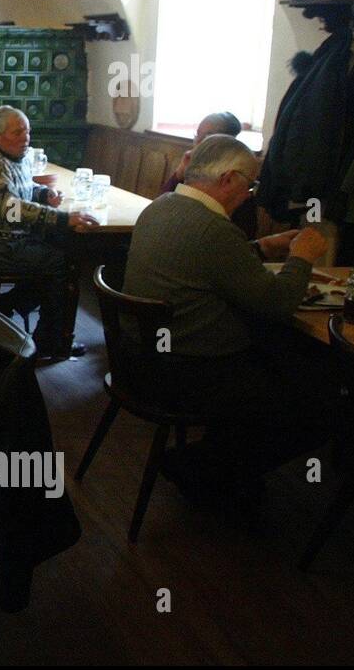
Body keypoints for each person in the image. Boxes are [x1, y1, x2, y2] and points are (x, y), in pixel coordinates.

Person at [124, 134, 331, 501]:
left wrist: (261, 246)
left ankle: (214, 464)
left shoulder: (162, 206)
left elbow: (205, 262)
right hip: (189, 373)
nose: (250, 193)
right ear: (228, 179)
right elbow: (277, 304)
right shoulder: (214, 229)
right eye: (249, 184)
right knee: (317, 400)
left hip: (142, 360)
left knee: (279, 359)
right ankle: (207, 468)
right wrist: (302, 256)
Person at [0, 106, 98, 359]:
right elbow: (11, 208)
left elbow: (23, 190)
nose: (25, 138)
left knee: (58, 253)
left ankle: (9, 305)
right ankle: (49, 340)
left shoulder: (13, 159)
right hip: (4, 248)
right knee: (62, 264)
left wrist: (43, 194)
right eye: (17, 133)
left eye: (27, 132)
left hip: (12, 241)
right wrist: (63, 219)